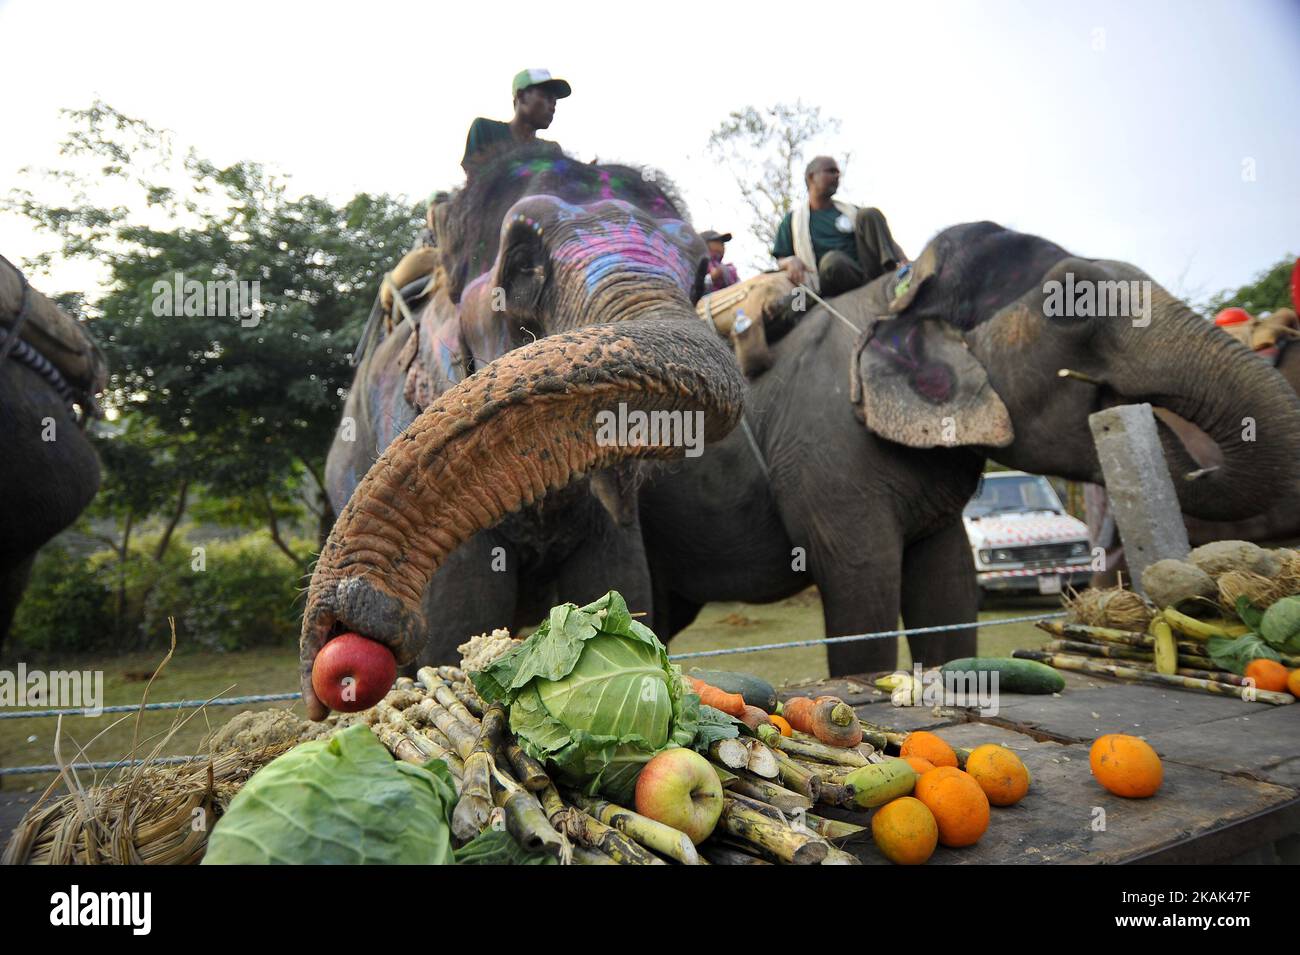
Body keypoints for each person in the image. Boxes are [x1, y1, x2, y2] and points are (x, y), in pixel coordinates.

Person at [771, 156, 907, 296]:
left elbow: (886, 241)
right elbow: (781, 259)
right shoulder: (792, 221)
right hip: (832, 278)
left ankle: (897, 274)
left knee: (869, 213)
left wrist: (904, 261)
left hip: (866, 271)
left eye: (837, 173)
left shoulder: (851, 212)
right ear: (811, 177)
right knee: (833, 260)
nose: (837, 176)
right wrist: (790, 261)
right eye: (831, 171)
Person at [461, 68, 571, 177]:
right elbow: (475, 180)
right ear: (521, 96)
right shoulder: (486, 129)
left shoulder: (551, 149)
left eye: (554, 102)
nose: (552, 107)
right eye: (546, 97)